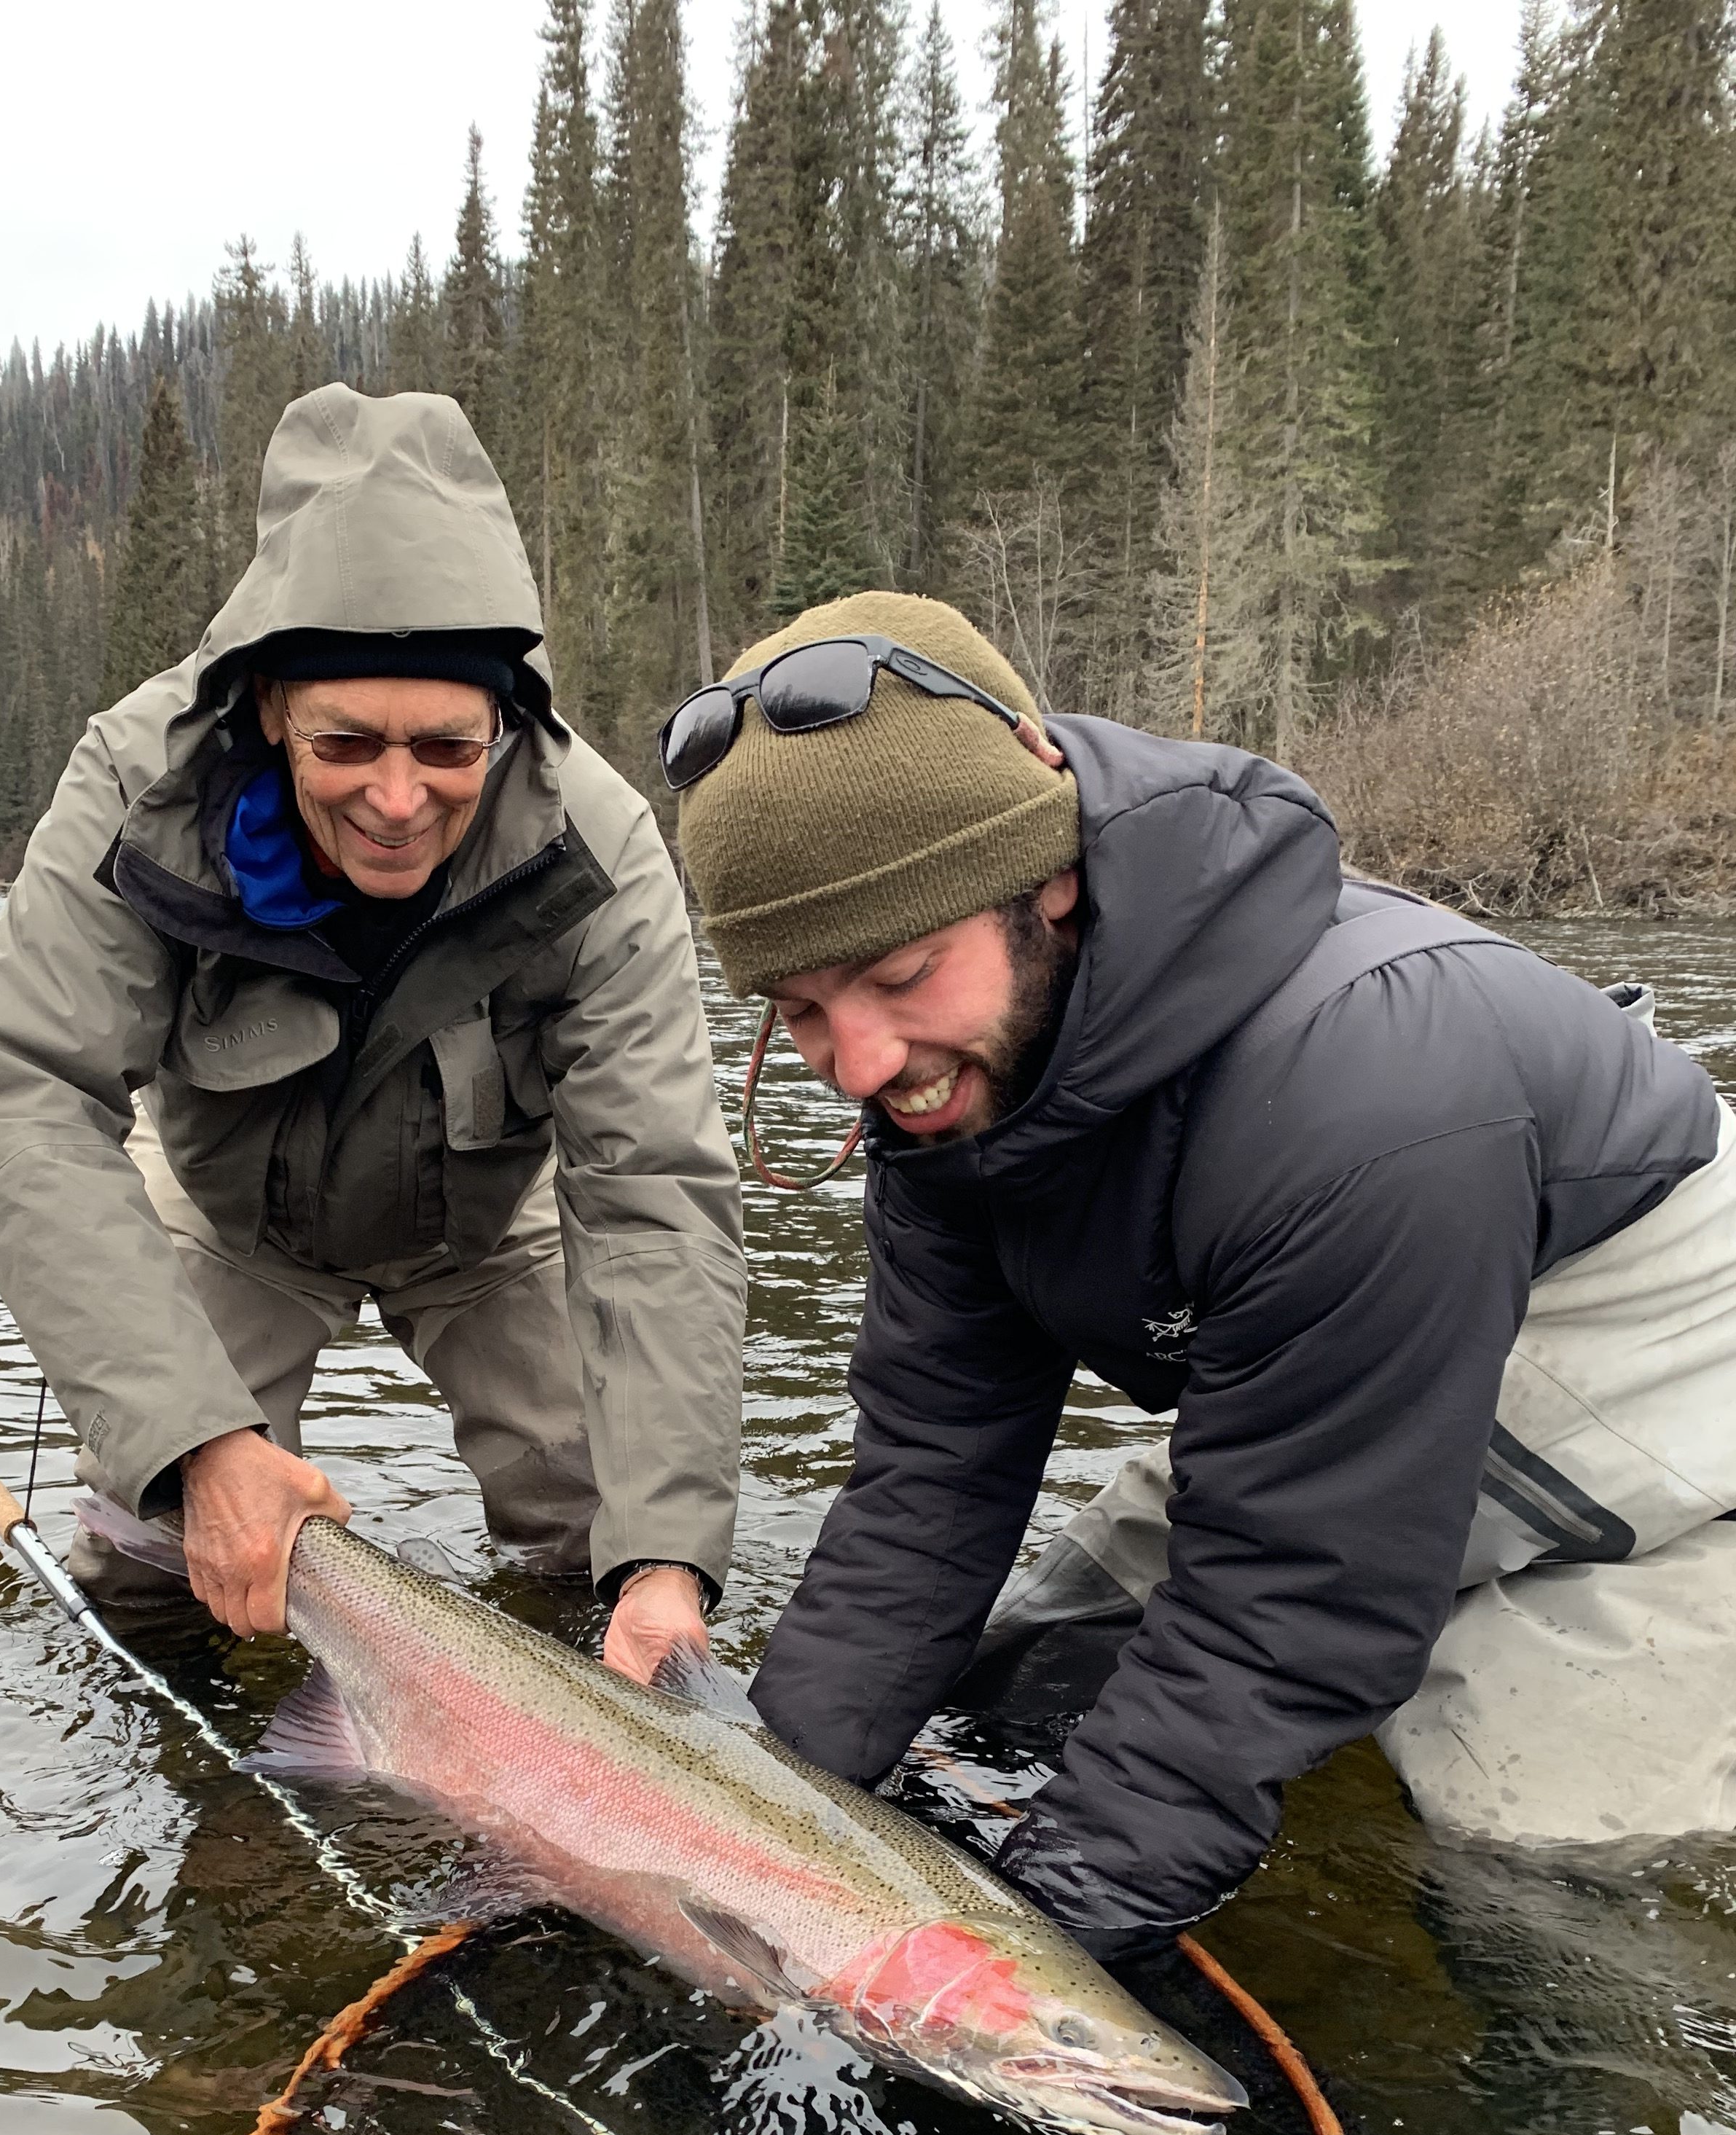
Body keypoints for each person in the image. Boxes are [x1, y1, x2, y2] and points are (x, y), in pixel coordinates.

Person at [669, 588, 1736, 1959]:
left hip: (1664, 1427)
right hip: (1334, 1403)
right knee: (1010, 1696)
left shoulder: (1372, 1084)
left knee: (1524, 1860)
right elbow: (933, 1477)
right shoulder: (951, 1103)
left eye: (901, 976)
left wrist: (1026, 1965)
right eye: (804, 1013)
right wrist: (752, 1814)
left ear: (1044, 878)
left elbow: (1290, 1598)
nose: (865, 1066)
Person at [0, 387, 744, 1680]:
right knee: (155, 1551)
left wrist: (668, 1558)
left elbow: (651, 1193)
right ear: (268, 709)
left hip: (485, 1226)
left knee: (604, 1535)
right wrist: (198, 1444)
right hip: (229, 1219)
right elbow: (20, 1098)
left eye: (446, 747)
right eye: (347, 740)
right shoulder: (142, 790)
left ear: (508, 722)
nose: (397, 795)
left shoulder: (595, 846)